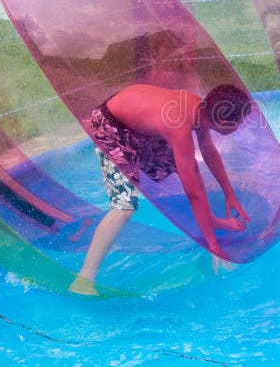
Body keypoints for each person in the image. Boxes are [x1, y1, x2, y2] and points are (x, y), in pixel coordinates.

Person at [70, 83, 252, 295]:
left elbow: (209, 152)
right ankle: (84, 279)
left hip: (134, 123)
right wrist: (213, 246)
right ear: (223, 121)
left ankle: (210, 221)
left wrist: (229, 194)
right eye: (240, 122)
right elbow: (193, 194)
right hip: (110, 125)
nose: (241, 126)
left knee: (190, 166)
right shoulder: (181, 127)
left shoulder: (199, 108)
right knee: (124, 207)